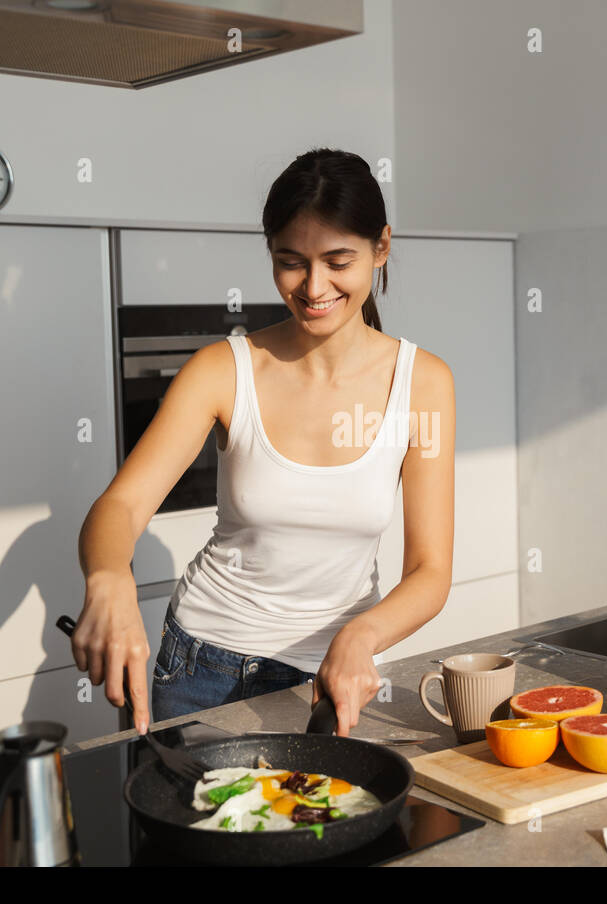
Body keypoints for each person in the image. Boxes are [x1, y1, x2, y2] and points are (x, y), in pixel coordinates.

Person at [71, 148, 455, 737]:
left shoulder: (422, 383)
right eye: (291, 262)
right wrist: (109, 579)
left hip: (328, 679)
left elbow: (430, 570)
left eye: (338, 260)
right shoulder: (222, 370)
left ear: (381, 248)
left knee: (320, 827)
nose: (314, 286)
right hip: (201, 666)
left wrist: (362, 634)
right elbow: (119, 508)